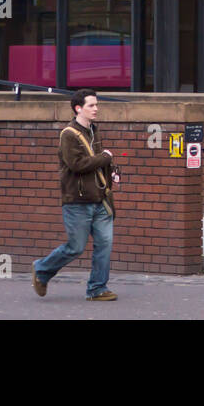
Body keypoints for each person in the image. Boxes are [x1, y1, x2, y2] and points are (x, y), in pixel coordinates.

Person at [32, 88, 120, 301]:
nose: (96, 109)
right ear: (78, 108)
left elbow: (99, 159)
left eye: (97, 105)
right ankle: (42, 269)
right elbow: (77, 165)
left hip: (100, 200)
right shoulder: (68, 135)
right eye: (91, 105)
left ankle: (97, 288)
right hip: (77, 202)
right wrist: (106, 158)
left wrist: (113, 170)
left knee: (104, 244)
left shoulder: (93, 130)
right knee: (75, 247)